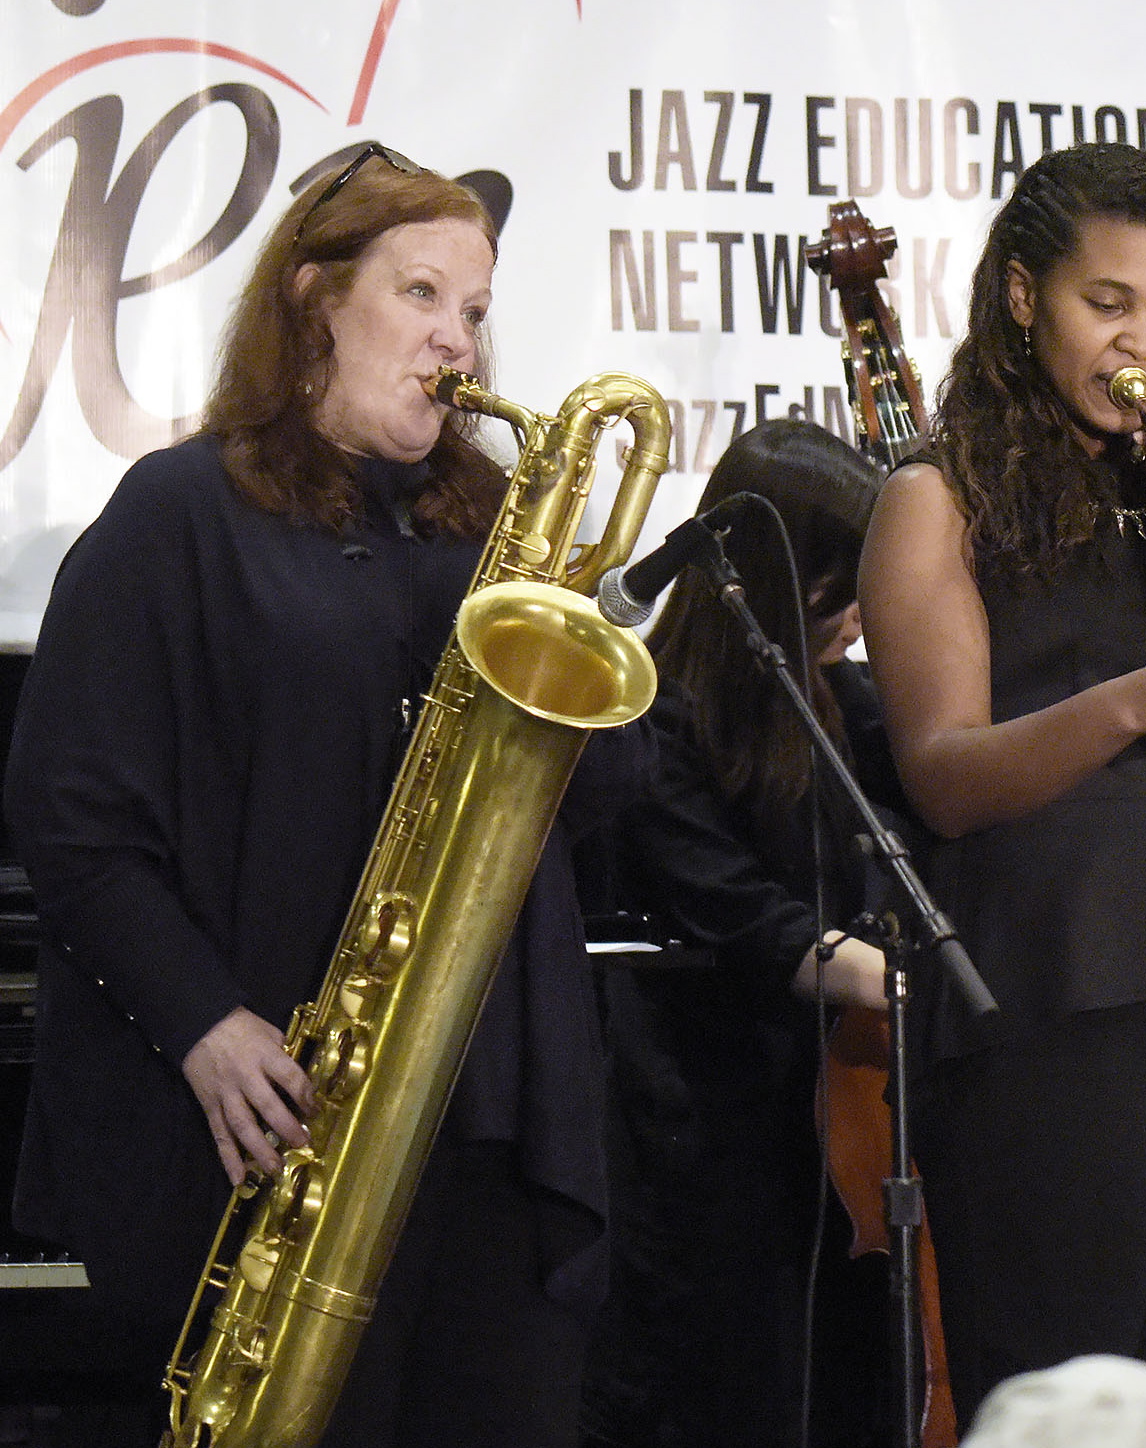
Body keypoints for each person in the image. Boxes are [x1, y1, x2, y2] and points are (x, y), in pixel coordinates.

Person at [5, 146, 649, 1446]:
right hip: (279, 1134)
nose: (454, 342)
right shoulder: (177, 514)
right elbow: (70, 816)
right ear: (313, 298)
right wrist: (206, 1025)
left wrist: (576, 603)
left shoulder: (482, 536)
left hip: (484, 1130)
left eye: (472, 311)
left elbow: (613, 786)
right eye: (419, 296)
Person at [856, 141, 1146, 1422]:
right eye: (1106, 303)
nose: (1145, 345)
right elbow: (941, 775)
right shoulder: (934, 497)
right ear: (1020, 296)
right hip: (1048, 997)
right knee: (1060, 1412)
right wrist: (1142, 699)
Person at [581, 418, 892, 1447]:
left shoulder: (843, 702)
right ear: (777, 577)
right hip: (712, 1141)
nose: (858, 614)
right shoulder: (655, 722)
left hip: (839, 1129)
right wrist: (893, 980)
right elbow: (750, 919)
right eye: (840, 585)